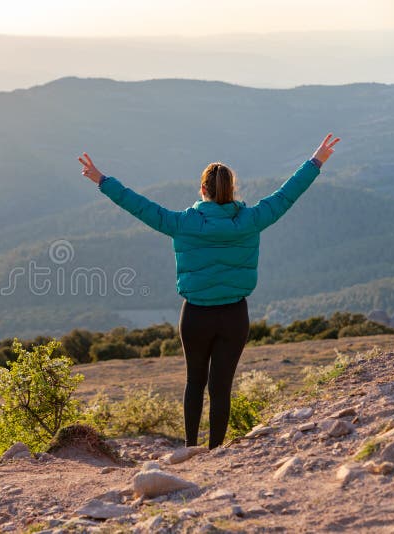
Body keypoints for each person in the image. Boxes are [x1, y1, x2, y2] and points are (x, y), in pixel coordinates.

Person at [78, 133, 340, 449]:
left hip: (195, 316)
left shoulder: (181, 223)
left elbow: (139, 205)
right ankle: (216, 450)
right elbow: (286, 195)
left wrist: (101, 179)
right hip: (234, 315)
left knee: (194, 382)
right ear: (232, 190)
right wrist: (315, 162)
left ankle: (190, 447)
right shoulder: (252, 219)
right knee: (221, 387)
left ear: (202, 190)